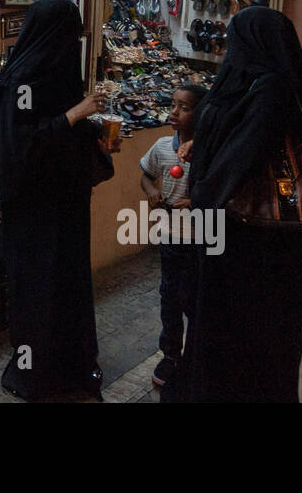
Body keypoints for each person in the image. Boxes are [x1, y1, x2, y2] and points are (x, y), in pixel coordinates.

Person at [172, 6, 302, 402]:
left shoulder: (268, 89)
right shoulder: (261, 84)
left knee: (242, 333)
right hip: (248, 233)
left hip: (251, 236)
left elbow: (243, 152)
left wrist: (203, 196)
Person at [0, 0, 120, 401]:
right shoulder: (22, 81)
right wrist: (79, 113)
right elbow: (22, 144)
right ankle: (33, 371)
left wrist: (95, 133)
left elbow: (59, 125)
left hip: (64, 203)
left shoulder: (54, 72)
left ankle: (70, 364)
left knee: (67, 283)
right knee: (37, 289)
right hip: (34, 209)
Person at [139, 83, 206, 389]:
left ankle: (196, 355)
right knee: (170, 297)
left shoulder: (209, 150)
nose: (175, 112)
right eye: (173, 104)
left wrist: (194, 201)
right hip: (172, 236)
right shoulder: (163, 147)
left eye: (185, 107)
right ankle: (171, 355)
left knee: (196, 299)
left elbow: (220, 188)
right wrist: (153, 191)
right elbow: (145, 175)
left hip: (204, 236)